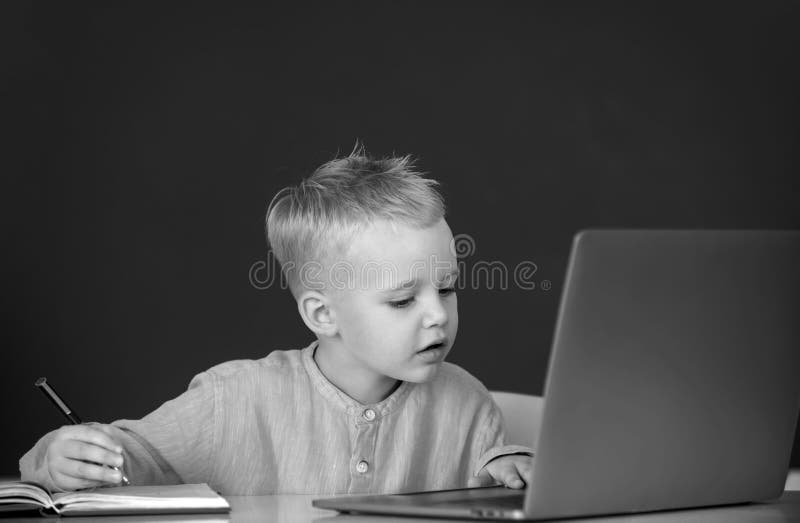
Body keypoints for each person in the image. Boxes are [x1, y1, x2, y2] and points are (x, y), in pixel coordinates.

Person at [20, 147, 534, 495]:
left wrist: (510, 468)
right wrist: (61, 458)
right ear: (322, 314)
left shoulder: (467, 403)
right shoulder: (234, 400)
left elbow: (495, 488)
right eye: (403, 301)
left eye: (447, 288)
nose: (438, 314)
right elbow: (128, 455)